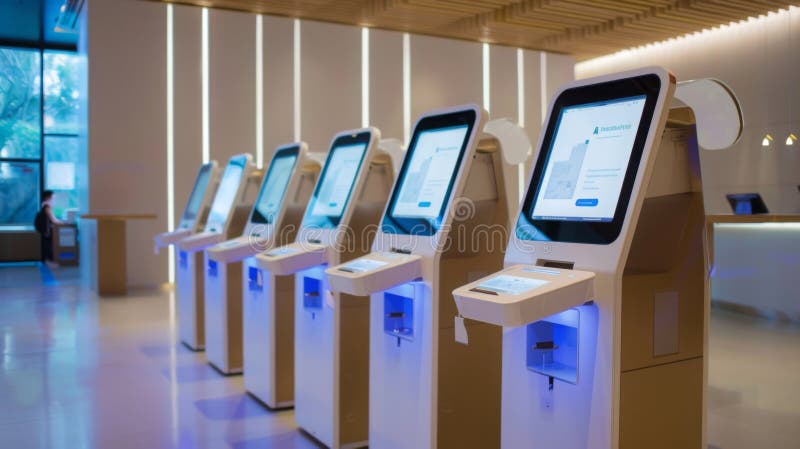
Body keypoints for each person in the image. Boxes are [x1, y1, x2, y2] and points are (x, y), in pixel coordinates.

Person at [35, 190, 63, 268]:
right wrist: (63, 223)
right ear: (48, 197)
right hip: (46, 230)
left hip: (44, 230)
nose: (54, 199)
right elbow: (53, 220)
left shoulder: (44, 206)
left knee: (46, 245)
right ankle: (48, 261)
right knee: (48, 246)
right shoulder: (47, 207)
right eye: (52, 197)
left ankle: (47, 261)